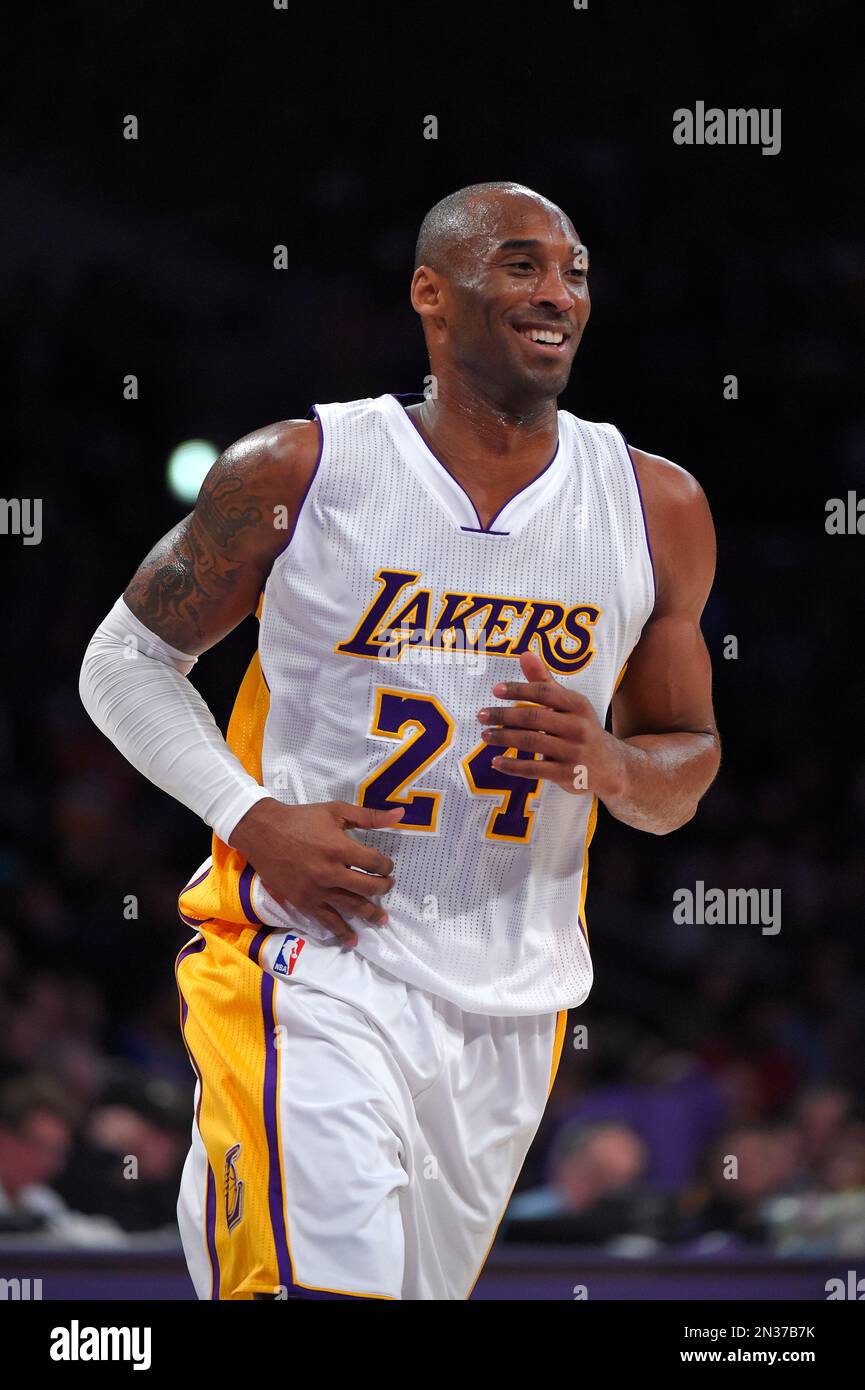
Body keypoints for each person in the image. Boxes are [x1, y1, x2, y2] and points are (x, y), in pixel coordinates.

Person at [80, 180, 721, 1299]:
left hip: (512, 1011)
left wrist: (612, 763)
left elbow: (682, 769)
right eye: (521, 264)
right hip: (312, 963)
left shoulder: (654, 505)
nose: (557, 293)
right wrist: (252, 817)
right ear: (432, 292)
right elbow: (123, 663)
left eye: (573, 271)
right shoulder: (298, 470)